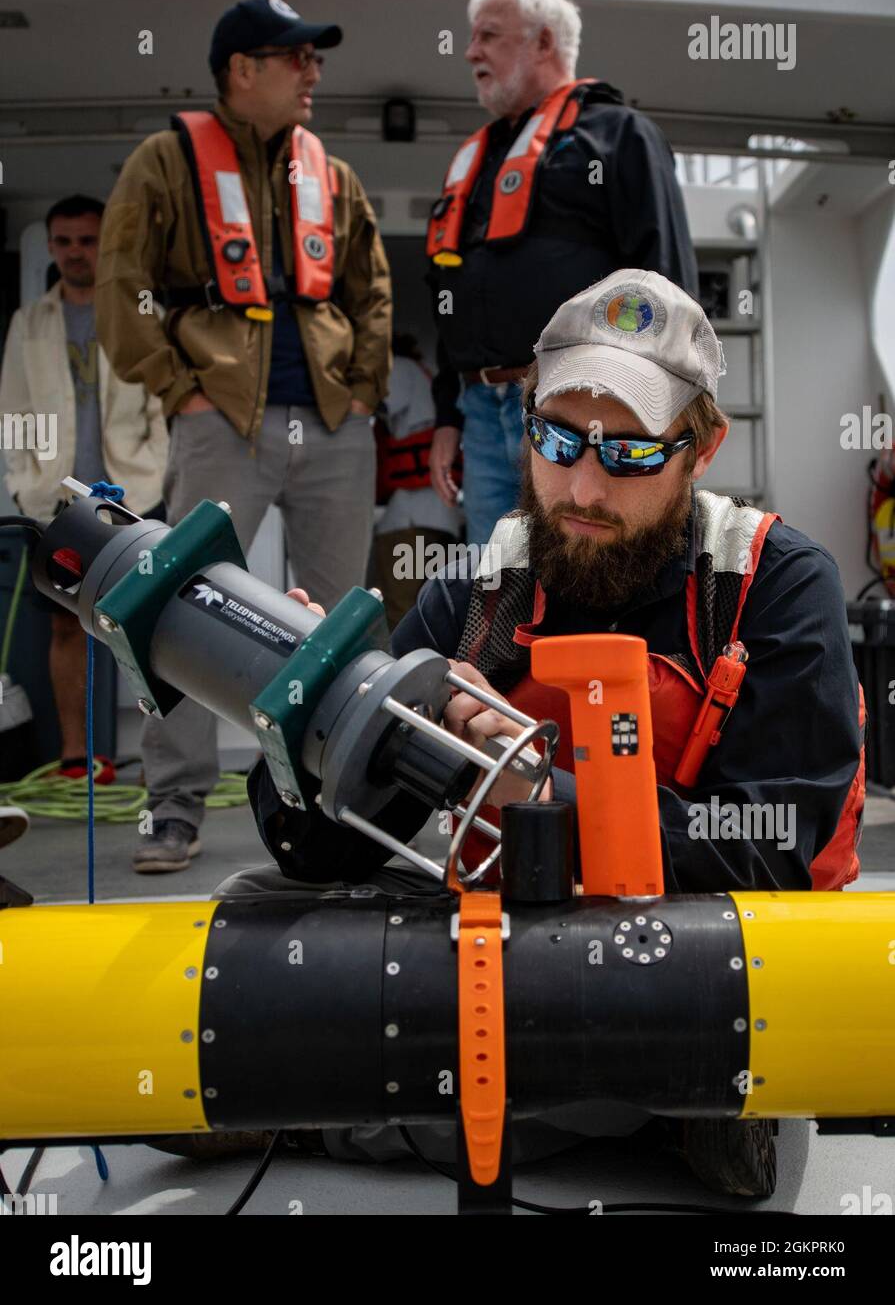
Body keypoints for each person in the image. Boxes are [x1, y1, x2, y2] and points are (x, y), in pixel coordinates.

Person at [220, 270, 864, 1195]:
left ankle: (320, 1111)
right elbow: (320, 856)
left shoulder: (774, 585)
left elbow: (776, 855)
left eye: (628, 453)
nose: (584, 485)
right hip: (519, 938)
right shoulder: (486, 587)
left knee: (660, 997)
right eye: (556, 440)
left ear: (702, 446)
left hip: (699, 945)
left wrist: (530, 791)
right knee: (257, 906)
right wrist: (309, 719)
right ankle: (661, 1112)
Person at [95, 0, 392, 873]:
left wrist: (364, 391)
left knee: (344, 621)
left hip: (335, 429)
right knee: (179, 615)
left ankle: (344, 798)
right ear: (241, 70)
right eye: (295, 57)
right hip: (221, 421)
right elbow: (121, 284)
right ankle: (174, 805)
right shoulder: (163, 162)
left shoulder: (331, 174)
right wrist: (179, 389)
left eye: (315, 59)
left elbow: (371, 292)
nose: (313, 73)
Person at [426, 0, 697, 550]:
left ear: (544, 42)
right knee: (496, 583)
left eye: (489, 37)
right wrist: (447, 414)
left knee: (584, 574)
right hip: (480, 409)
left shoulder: (621, 135)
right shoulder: (476, 157)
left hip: (579, 414)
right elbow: (448, 288)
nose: (470, 51)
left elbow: (667, 286)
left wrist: (659, 419)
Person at [0, 195, 167, 783]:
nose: (76, 252)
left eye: (88, 241)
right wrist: (25, 487)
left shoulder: (136, 315)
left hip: (134, 502)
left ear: (106, 246)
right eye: (65, 241)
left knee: (152, 626)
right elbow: (13, 413)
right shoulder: (30, 322)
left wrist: (149, 475)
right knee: (65, 625)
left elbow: (161, 404)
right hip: (56, 505)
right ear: (51, 247)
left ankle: (160, 763)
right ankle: (79, 760)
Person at [373, 331, 463, 630]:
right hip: (444, 520)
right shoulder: (425, 374)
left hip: (410, 521)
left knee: (399, 609)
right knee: (431, 613)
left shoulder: (397, 367)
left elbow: (372, 410)